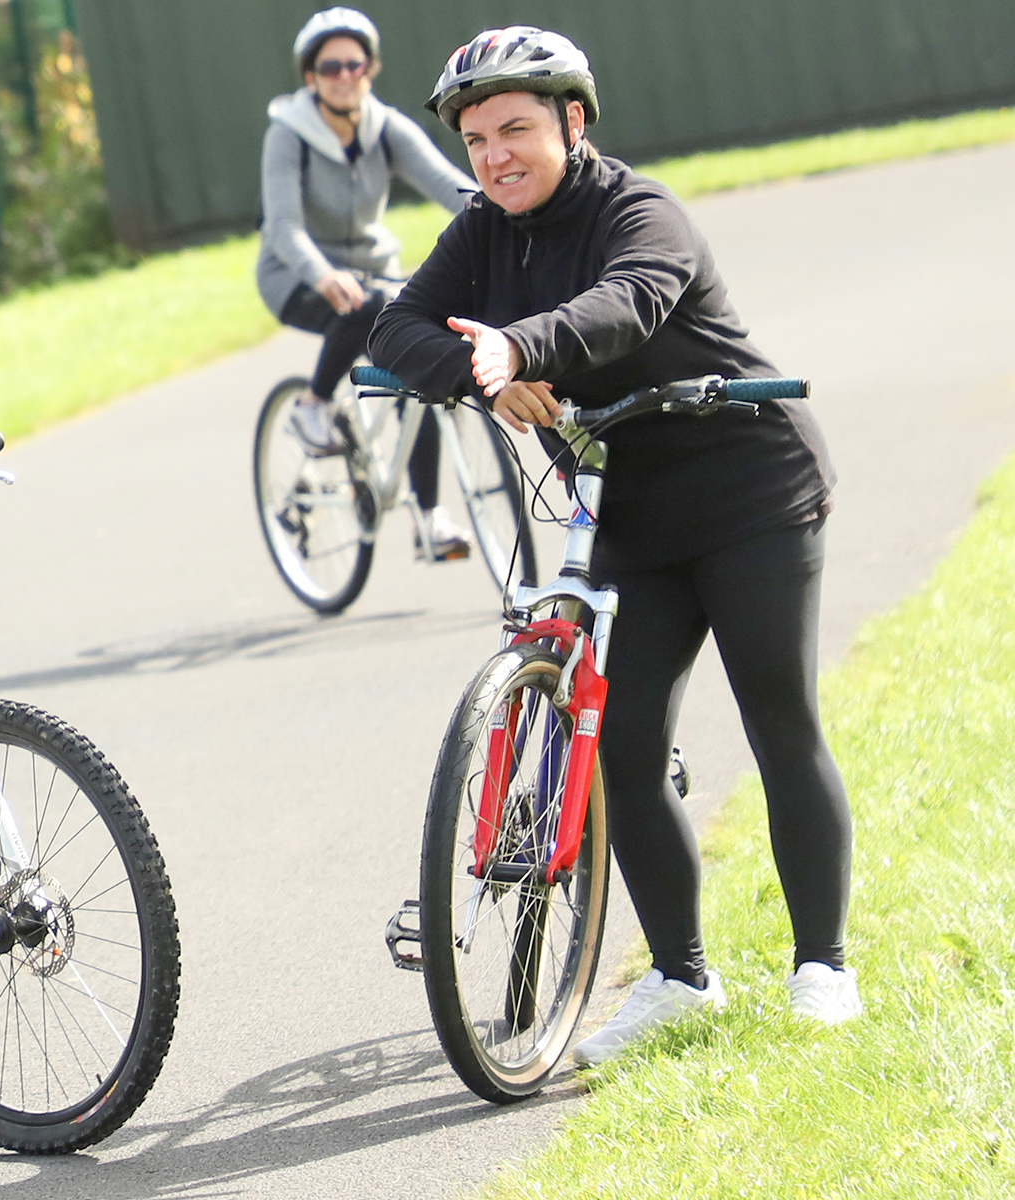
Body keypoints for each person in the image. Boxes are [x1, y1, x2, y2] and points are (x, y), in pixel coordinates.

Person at [369, 26, 857, 1065]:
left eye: (515, 129)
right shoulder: (483, 231)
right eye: (476, 140)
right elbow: (396, 329)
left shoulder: (643, 212)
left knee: (779, 720)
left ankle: (824, 967)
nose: (495, 156)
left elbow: (625, 305)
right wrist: (480, 379)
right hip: (628, 512)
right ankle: (682, 979)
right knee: (622, 749)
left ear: (573, 121)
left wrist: (517, 346)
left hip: (750, 494)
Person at [257, 7, 479, 556]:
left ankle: (430, 520)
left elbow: (447, 184)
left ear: (370, 69)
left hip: (373, 273)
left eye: (354, 64)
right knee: (364, 307)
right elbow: (283, 227)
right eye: (329, 67)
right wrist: (322, 274)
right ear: (310, 76)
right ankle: (312, 405)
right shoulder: (288, 134)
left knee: (417, 368)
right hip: (295, 275)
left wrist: (500, 212)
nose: (344, 76)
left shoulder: (386, 128)